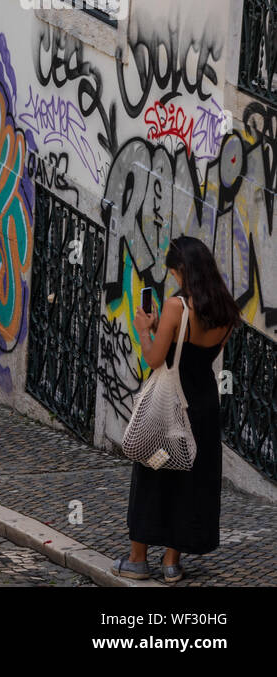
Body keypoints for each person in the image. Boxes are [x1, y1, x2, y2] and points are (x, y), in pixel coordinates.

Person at [112, 235, 239, 583]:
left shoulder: (176, 306)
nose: (174, 281)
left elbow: (156, 359)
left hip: (168, 409)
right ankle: (171, 563)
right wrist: (161, 330)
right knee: (189, 482)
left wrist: (144, 331)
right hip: (202, 409)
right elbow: (196, 354)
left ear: (182, 270)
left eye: (175, 274)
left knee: (152, 477)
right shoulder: (226, 309)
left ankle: (138, 559)